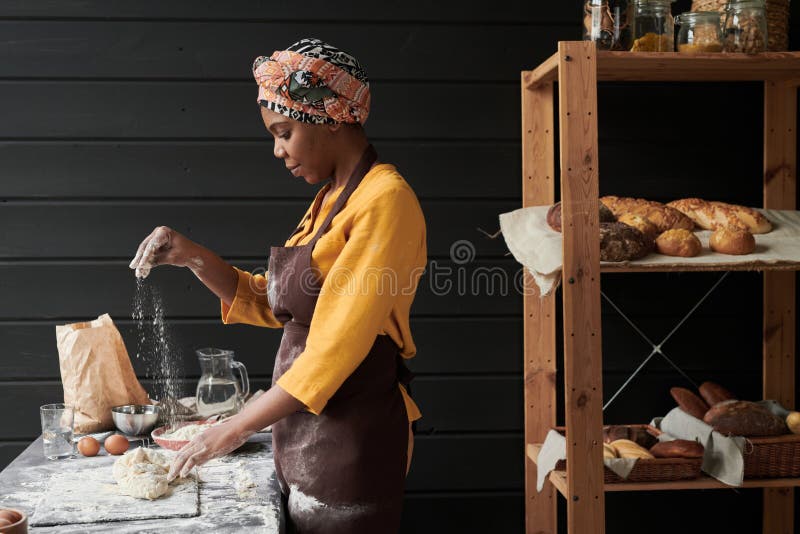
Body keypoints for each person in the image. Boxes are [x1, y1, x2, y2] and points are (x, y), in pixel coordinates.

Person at [128, 38, 427, 532]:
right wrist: (193, 257)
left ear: (328, 117)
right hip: (303, 432)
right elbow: (274, 303)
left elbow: (335, 350)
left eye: (283, 132)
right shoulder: (330, 200)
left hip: (353, 439)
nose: (277, 150)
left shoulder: (384, 200)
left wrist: (233, 428)